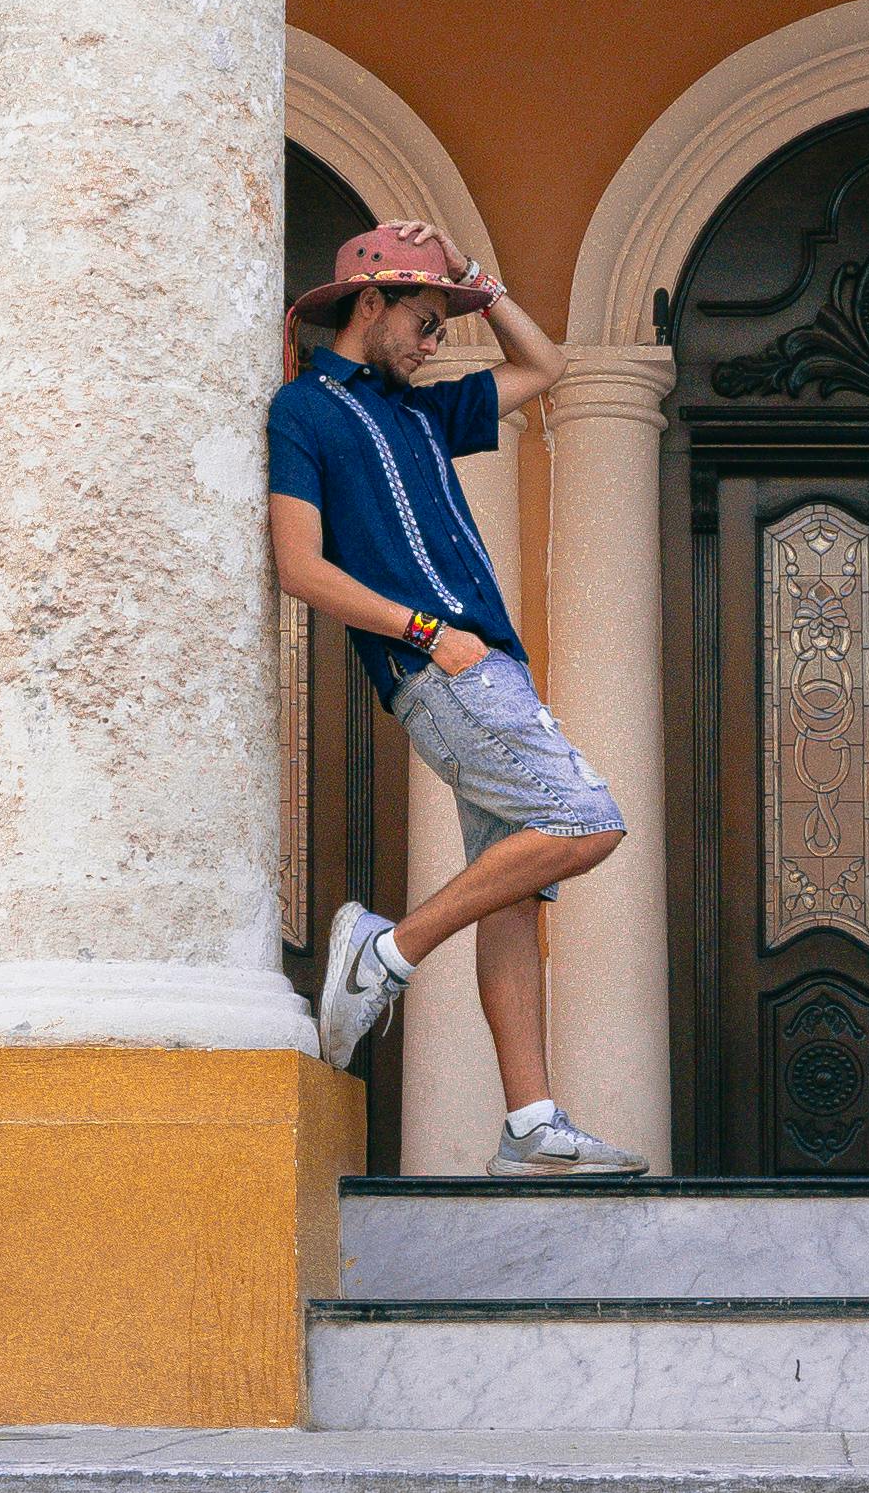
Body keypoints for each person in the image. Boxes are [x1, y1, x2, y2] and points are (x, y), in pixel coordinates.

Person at [267, 220, 647, 1176]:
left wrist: (476, 277)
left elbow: (547, 364)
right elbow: (301, 568)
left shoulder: (424, 410)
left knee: (516, 896)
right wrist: (429, 634)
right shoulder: (303, 414)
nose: (436, 340)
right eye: (425, 320)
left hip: (486, 664)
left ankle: (530, 1125)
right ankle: (388, 950)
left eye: (443, 324)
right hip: (443, 665)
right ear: (369, 305)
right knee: (585, 817)